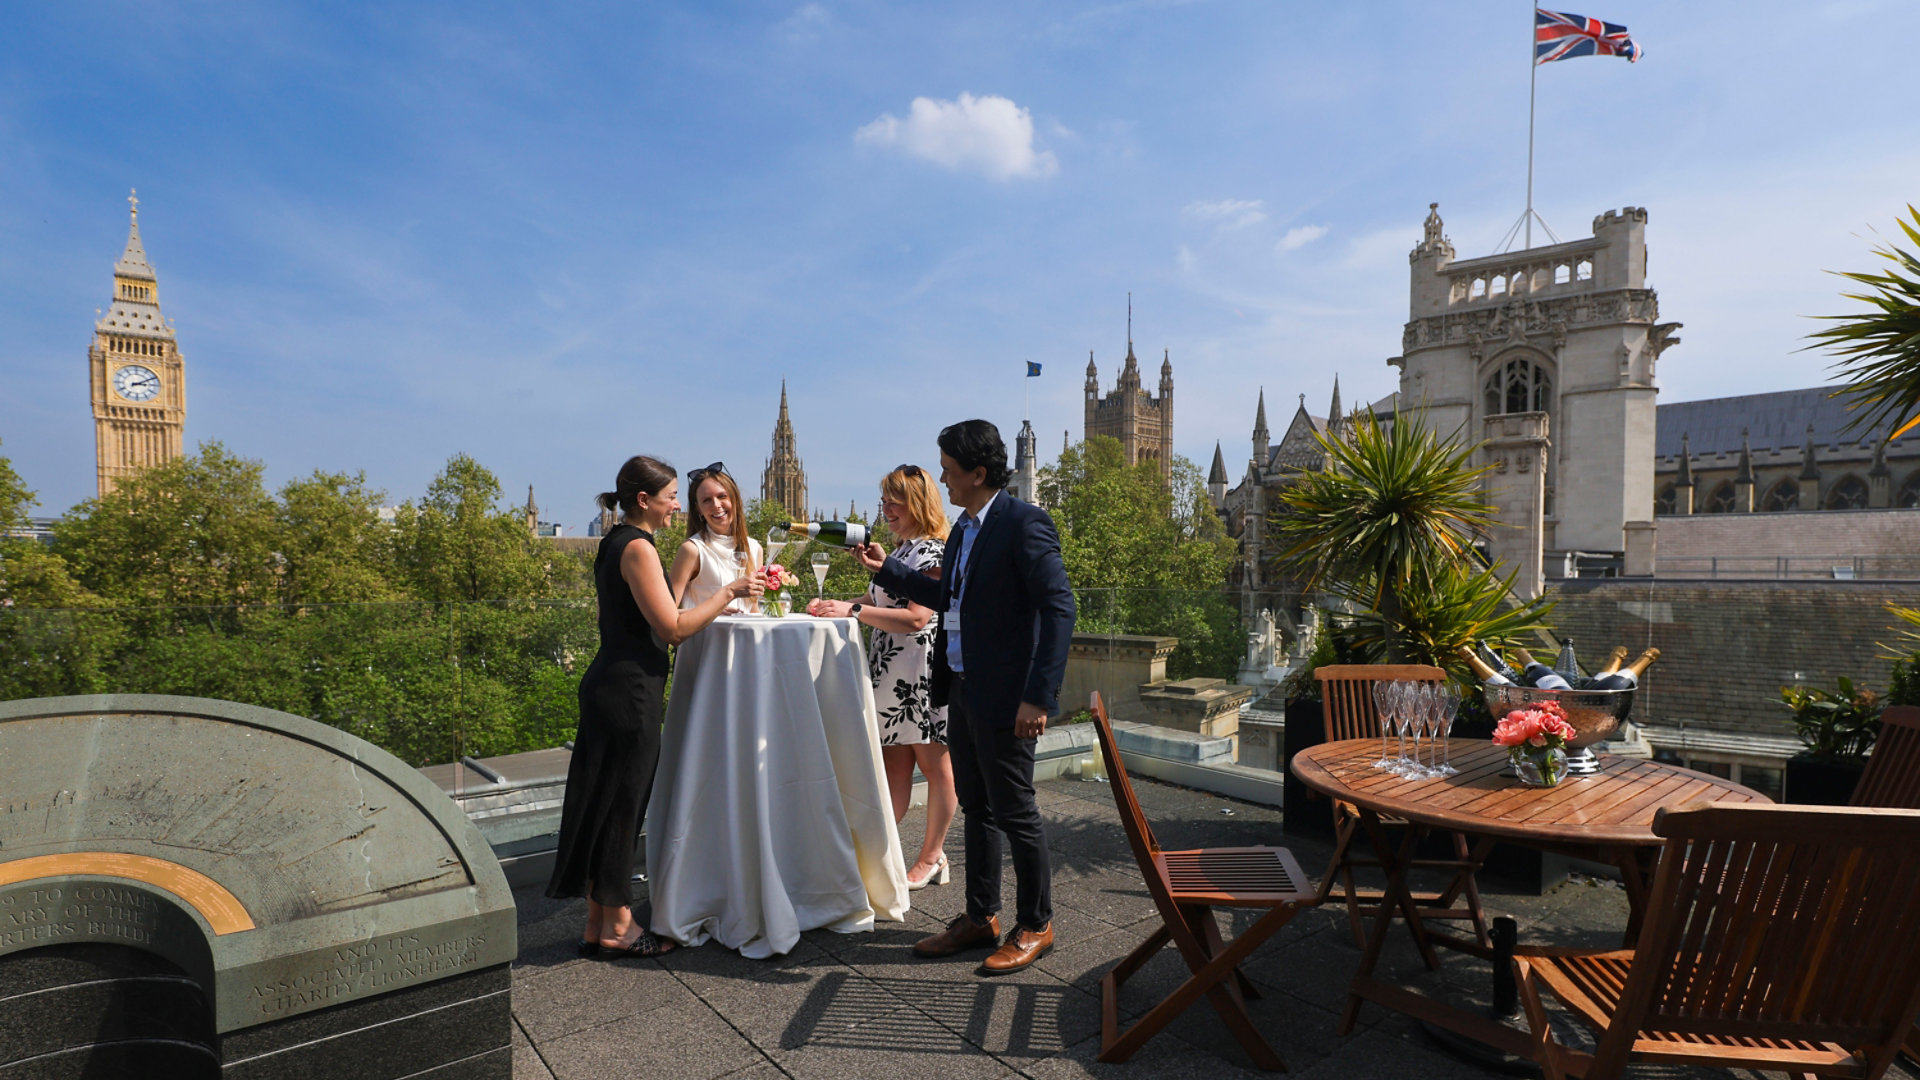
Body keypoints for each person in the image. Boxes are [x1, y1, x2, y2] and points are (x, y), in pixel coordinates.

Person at [852, 420, 1075, 975]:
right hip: (962, 689)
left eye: (950, 470)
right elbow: (945, 594)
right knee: (979, 809)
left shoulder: (1025, 523)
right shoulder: (963, 531)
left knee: (1016, 810)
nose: (944, 479)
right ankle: (981, 918)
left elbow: (1059, 609)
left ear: (979, 472)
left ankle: (1037, 924)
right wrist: (890, 569)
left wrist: (1038, 696)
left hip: (1008, 697)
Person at [546, 455, 764, 957]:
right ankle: (621, 927)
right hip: (630, 692)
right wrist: (729, 591)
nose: (675, 508)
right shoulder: (640, 548)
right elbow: (673, 629)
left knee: (604, 803)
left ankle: (598, 924)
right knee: (624, 805)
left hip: (610, 684)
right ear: (644, 501)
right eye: (670, 498)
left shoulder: (612, 544)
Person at [806, 464, 957, 890]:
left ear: (918, 503)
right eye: (884, 499)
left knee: (936, 768)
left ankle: (933, 857)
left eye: (895, 500)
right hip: (891, 671)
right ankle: (875, 857)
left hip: (919, 676)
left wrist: (852, 611)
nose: (885, 508)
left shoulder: (935, 552)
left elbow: (914, 618)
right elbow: (878, 601)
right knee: (892, 771)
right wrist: (835, 604)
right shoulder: (901, 552)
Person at [668, 462, 761, 614]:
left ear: (735, 499)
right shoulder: (693, 549)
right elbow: (666, 614)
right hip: (707, 637)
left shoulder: (754, 548)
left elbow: (753, 609)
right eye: (707, 500)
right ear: (698, 509)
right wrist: (711, 611)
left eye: (722, 496)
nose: (716, 505)